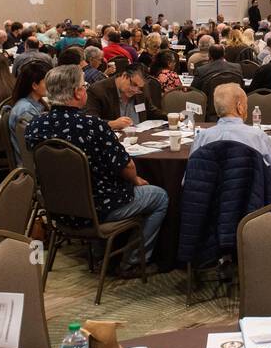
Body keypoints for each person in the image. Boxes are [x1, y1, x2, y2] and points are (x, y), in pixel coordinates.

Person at [23, 66, 168, 269]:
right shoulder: (93, 126)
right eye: (84, 86)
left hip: (56, 208)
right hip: (99, 207)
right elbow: (126, 166)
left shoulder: (35, 126)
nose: (85, 89)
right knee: (160, 196)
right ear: (77, 92)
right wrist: (135, 180)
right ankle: (133, 261)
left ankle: (102, 252)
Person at [190, 84, 271, 190]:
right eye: (246, 104)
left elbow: (188, 181)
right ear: (239, 107)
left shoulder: (201, 138)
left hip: (209, 204)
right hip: (254, 204)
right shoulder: (259, 137)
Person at [7, 59, 49, 167]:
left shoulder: (33, 104)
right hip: (32, 167)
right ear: (35, 85)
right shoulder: (26, 110)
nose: (51, 84)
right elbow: (36, 146)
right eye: (47, 81)